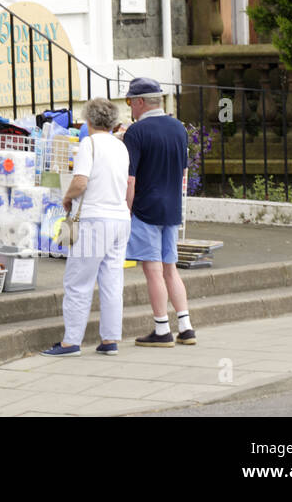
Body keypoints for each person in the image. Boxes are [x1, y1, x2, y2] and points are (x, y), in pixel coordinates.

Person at [41, 98, 133, 357]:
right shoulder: (121, 147)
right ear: (113, 122)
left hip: (95, 219)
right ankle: (110, 338)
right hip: (120, 218)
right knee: (112, 281)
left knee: (78, 281)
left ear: (89, 121)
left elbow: (80, 182)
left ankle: (71, 341)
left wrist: (67, 196)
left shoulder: (88, 144)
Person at [123, 77, 196, 347]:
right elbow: (184, 170)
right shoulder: (179, 128)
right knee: (170, 269)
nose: (130, 107)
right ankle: (186, 327)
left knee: (152, 270)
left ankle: (162, 328)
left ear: (140, 102)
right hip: (172, 207)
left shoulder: (136, 133)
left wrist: (126, 210)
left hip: (146, 208)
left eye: (130, 102)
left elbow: (130, 180)